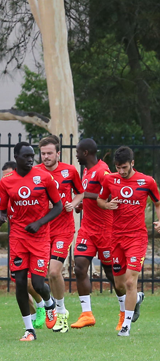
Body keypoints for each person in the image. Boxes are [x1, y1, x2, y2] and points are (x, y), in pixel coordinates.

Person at [0, 142, 62, 341]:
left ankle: (49, 303)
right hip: (18, 238)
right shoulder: (6, 182)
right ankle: (29, 329)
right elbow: (1, 209)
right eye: (26, 156)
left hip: (39, 237)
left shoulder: (44, 177)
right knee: (20, 283)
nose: (30, 159)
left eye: (32, 156)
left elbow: (58, 206)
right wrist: (0, 219)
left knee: (38, 284)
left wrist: (39, 223)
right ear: (16, 157)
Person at [97, 146, 156, 336]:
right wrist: (107, 205)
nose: (121, 171)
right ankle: (136, 298)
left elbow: (157, 202)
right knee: (120, 284)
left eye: (124, 167)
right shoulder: (110, 180)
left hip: (137, 238)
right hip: (116, 238)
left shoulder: (147, 181)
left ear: (132, 163)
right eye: (118, 167)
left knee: (130, 282)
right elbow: (100, 200)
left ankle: (126, 325)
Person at [72, 138, 122, 329]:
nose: (76, 155)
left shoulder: (103, 171)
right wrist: (82, 204)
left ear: (85, 153)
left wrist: (84, 195)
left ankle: (125, 310)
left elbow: (110, 195)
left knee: (111, 273)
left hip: (105, 230)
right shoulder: (86, 171)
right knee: (79, 267)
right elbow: (93, 196)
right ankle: (87, 314)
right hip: (87, 229)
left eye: (78, 152)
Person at [36, 136, 83, 333]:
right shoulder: (35, 173)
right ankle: (46, 307)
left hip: (63, 230)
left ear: (58, 153)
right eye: (43, 153)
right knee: (37, 276)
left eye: (49, 153)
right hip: (43, 230)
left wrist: (73, 202)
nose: (46, 157)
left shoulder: (69, 171)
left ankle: (61, 312)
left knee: (54, 272)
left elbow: (80, 192)